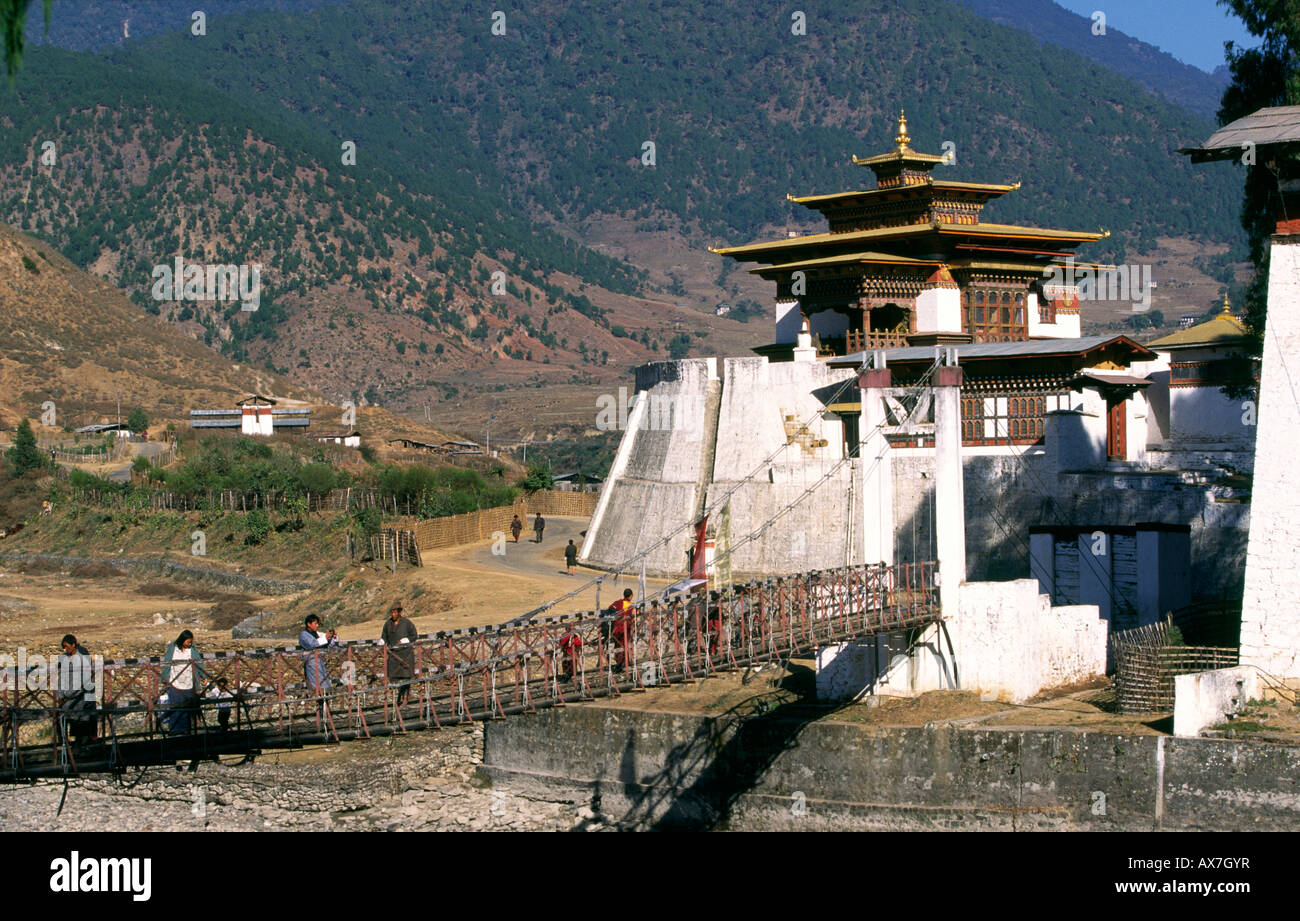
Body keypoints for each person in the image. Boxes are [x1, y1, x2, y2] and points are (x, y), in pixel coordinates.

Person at [161, 630, 205, 734]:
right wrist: (164, 679)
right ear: (182, 640)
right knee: (175, 706)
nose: (190, 644)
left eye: (190, 642)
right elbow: (167, 662)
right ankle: (175, 729)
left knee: (186, 708)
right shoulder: (173, 648)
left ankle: (185, 729)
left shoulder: (192, 650)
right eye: (188, 642)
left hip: (188, 681)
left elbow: (199, 662)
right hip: (175, 681)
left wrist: (203, 676)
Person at [56, 634, 97, 745]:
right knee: (61, 714)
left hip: (80, 695)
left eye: (67, 646)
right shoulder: (63, 658)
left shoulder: (83, 657)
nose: (66, 649)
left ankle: (83, 742)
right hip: (67, 695)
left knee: (82, 715)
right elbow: (60, 678)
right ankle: (64, 743)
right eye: (64, 647)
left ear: (74, 645)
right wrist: (59, 695)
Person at [380, 600, 418, 706]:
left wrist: (406, 640)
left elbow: (414, 635)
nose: (393, 614)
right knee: (393, 677)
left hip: (406, 654)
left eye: (395, 612)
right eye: (391, 612)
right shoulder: (388, 624)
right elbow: (384, 637)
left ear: (399, 612)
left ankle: (405, 699)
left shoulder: (407, 623)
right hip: (394, 655)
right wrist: (381, 643)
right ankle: (396, 699)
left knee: (406, 676)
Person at [299, 615, 339, 715]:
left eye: (317, 624)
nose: (317, 625)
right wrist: (325, 637)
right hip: (312, 663)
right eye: (315, 623)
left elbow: (325, 646)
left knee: (324, 687)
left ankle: (325, 711)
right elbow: (312, 644)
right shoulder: (304, 635)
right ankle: (322, 712)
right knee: (317, 687)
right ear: (309, 624)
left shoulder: (316, 634)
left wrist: (333, 639)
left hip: (320, 663)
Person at [611, 588, 635, 672]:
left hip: (615, 629)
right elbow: (633, 619)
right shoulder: (630, 606)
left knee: (618, 646)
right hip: (624, 629)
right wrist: (632, 630)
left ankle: (620, 662)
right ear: (630, 596)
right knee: (623, 647)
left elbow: (610, 609)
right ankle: (620, 665)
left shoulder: (618, 602)